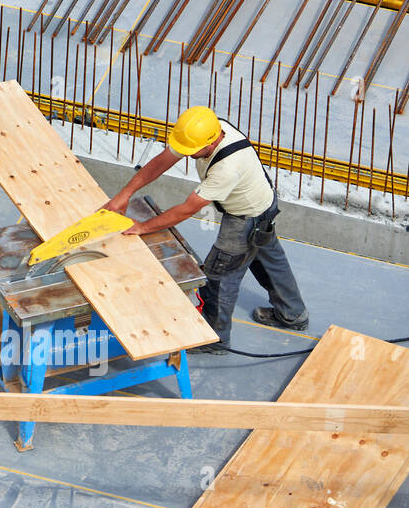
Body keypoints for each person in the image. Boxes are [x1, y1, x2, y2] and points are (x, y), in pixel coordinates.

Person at [104, 106, 308, 354]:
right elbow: (161, 162)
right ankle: (293, 313)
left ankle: (215, 339)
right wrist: (124, 195)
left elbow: (186, 210)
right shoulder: (203, 131)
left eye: (192, 152)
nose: (188, 155)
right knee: (269, 258)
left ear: (211, 143)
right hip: (262, 202)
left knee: (221, 274)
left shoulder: (227, 168)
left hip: (245, 217)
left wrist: (143, 227)